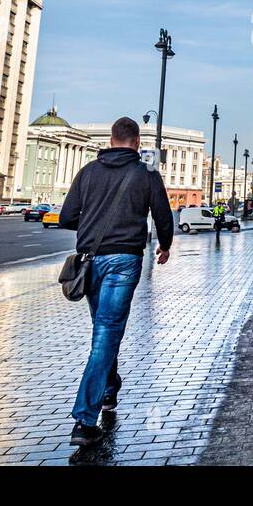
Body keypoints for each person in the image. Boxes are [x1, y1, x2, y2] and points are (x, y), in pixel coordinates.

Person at [59, 115, 173, 446]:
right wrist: (164, 246)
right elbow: (162, 215)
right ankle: (84, 419)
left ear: (111, 141)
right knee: (107, 332)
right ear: (136, 143)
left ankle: (108, 391)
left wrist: (92, 227)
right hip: (124, 260)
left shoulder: (87, 172)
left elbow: (67, 217)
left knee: (104, 330)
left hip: (91, 261)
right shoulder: (147, 173)